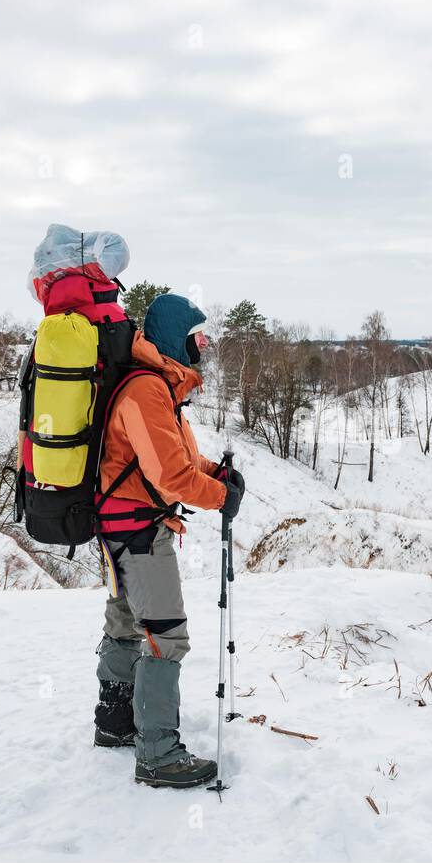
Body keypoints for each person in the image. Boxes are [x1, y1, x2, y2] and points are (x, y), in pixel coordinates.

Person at [92, 293, 245, 788]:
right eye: (198, 334)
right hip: (137, 530)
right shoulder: (147, 391)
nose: (204, 343)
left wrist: (215, 473)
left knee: (126, 620)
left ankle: (116, 723)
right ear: (175, 336)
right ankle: (156, 754)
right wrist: (220, 496)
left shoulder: (159, 389)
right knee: (166, 635)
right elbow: (170, 474)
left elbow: (176, 458)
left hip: (120, 525)